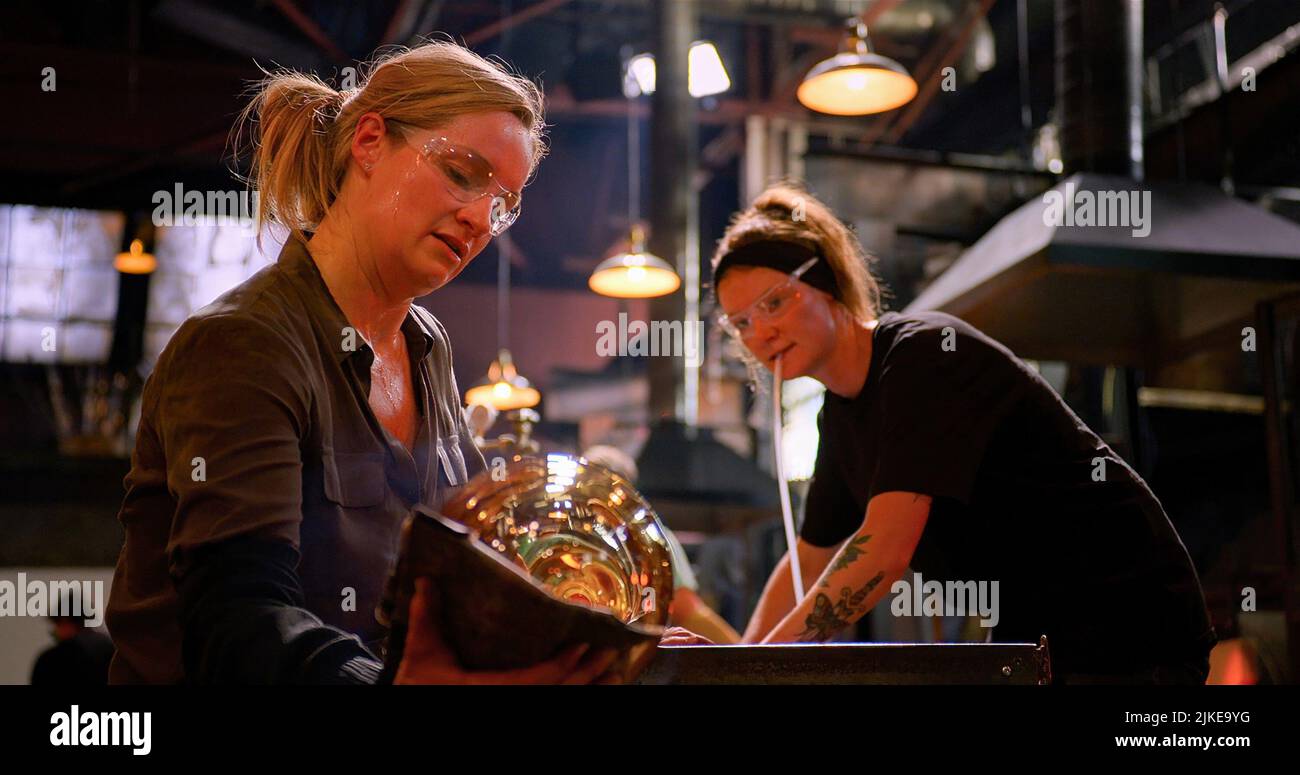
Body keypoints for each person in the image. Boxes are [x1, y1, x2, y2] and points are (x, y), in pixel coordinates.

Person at [105, 41, 618, 684]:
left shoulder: (428, 347)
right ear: (370, 141)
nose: (477, 219)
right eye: (463, 173)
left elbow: (467, 572)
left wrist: (603, 638)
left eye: (501, 205)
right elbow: (239, 620)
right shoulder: (245, 343)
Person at [703, 183, 1216, 683]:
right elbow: (809, 558)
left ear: (827, 281)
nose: (759, 333)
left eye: (774, 302)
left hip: (1128, 616)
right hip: (1037, 633)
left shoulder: (921, 357)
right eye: (740, 323)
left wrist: (755, 668)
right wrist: (732, 666)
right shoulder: (838, 416)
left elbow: (882, 551)